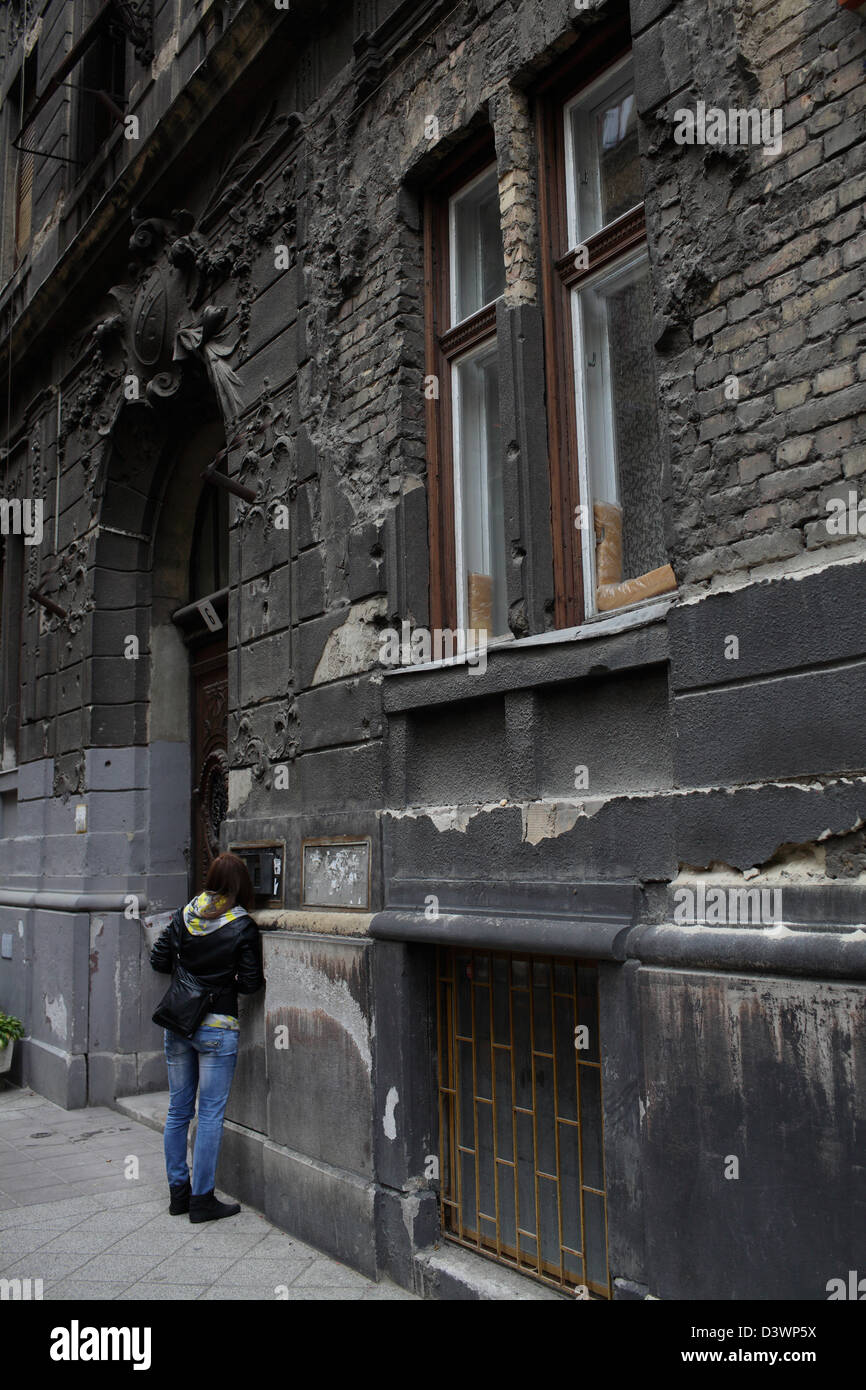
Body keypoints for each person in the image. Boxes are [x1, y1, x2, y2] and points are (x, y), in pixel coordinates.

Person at [150, 852, 265, 1222]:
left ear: (211, 877)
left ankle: (177, 1194)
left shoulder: (185, 914)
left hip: (179, 1024)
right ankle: (202, 1200)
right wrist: (223, 981)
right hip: (217, 1027)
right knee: (210, 1114)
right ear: (240, 885)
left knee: (178, 1110)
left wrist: (188, 971)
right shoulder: (242, 925)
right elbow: (250, 984)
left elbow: (159, 959)